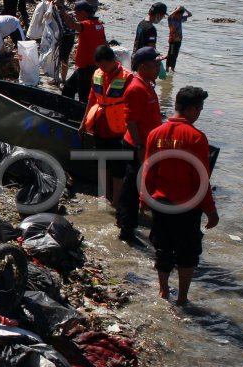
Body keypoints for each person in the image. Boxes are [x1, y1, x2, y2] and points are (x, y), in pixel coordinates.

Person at [142, 86, 219, 305]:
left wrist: (142, 199)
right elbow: (201, 180)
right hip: (187, 206)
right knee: (187, 254)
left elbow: (148, 170)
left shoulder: (155, 133)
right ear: (193, 109)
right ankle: (183, 297)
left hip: (160, 202)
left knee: (163, 248)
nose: (200, 113)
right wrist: (211, 211)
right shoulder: (196, 138)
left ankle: (163, 291)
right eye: (200, 109)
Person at [116, 47, 163, 245]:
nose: (159, 68)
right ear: (143, 67)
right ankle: (127, 229)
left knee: (134, 186)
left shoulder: (147, 84)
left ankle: (126, 222)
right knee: (132, 189)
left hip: (145, 143)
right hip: (136, 145)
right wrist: (139, 146)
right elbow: (131, 121)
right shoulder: (136, 88)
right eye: (155, 65)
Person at [81, 45, 132, 206]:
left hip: (118, 130)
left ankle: (116, 202)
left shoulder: (127, 77)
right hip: (100, 126)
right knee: (103, 163)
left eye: (104, 65)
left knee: (118, 167)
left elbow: (133, 106)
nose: (102, 69)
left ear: (113, 61)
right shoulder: (97, 74)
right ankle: (105, 196)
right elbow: (92, 98)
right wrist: (83, 122)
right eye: (99, 66)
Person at [61, 0, 106, 101]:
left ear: (83, 13)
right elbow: (104, 42)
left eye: (76, 13)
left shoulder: (87, 25)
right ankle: (68, 111)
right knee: (68, 89)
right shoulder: (99, 25)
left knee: (83, 97)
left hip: (87, 70)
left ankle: (80, 115)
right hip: (89, 67)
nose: (76, 16)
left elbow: (71, 25)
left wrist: (62, 10)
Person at [165, 5, 192, 74]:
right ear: (176, 13)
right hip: (172, 39)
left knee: (175, 54)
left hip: (179, 39)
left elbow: (190, 15)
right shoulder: (171, 19)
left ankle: (172, 68)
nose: (180, 16)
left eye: (181, 15)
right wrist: (177, 10)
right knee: (170, 53)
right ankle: (167, 68)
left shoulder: (180, 19)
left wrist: (184, 8)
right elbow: (169, 16)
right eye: (179, 14)